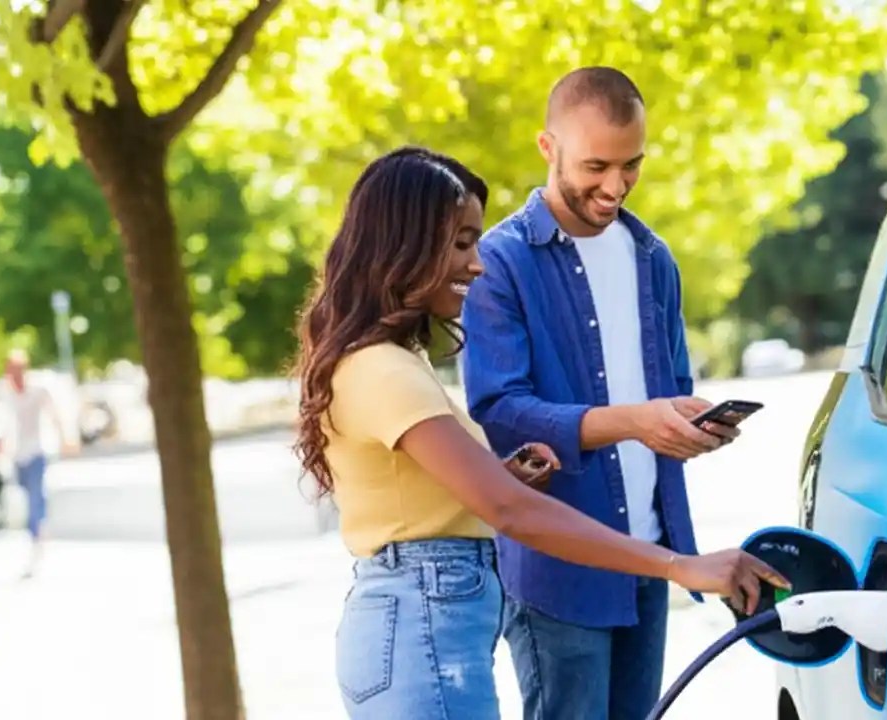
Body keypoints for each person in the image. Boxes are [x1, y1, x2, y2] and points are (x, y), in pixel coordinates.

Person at [292, 146, 788, 719]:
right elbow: (511, 512)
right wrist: (679, 565)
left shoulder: (390, 360)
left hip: (423, 634)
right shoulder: (381, 369)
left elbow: (429, 503)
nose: (476, 264)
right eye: (459, 243)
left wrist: (499, 476)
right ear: (403, 244)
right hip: (421, 641)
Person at [460, 67, 737, 720]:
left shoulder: (653, 259)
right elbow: (500, 413)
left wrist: (690, 424)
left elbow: (674, 388)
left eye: (632, 164)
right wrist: (635, 422)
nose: (615, 186)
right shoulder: (499, 263)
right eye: (596, 165)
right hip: (559, 573)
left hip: (655, 558)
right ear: (547, 148)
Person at [0, 348, 76, 578]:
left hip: (37, 452)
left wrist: (65, 438)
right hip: (18, 456)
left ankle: (38, 539)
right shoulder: (9, 394)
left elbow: (54, 414)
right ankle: (37, 529)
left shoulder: (38, 390)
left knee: (35, 499)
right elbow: (7, 422)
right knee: (25, 498)